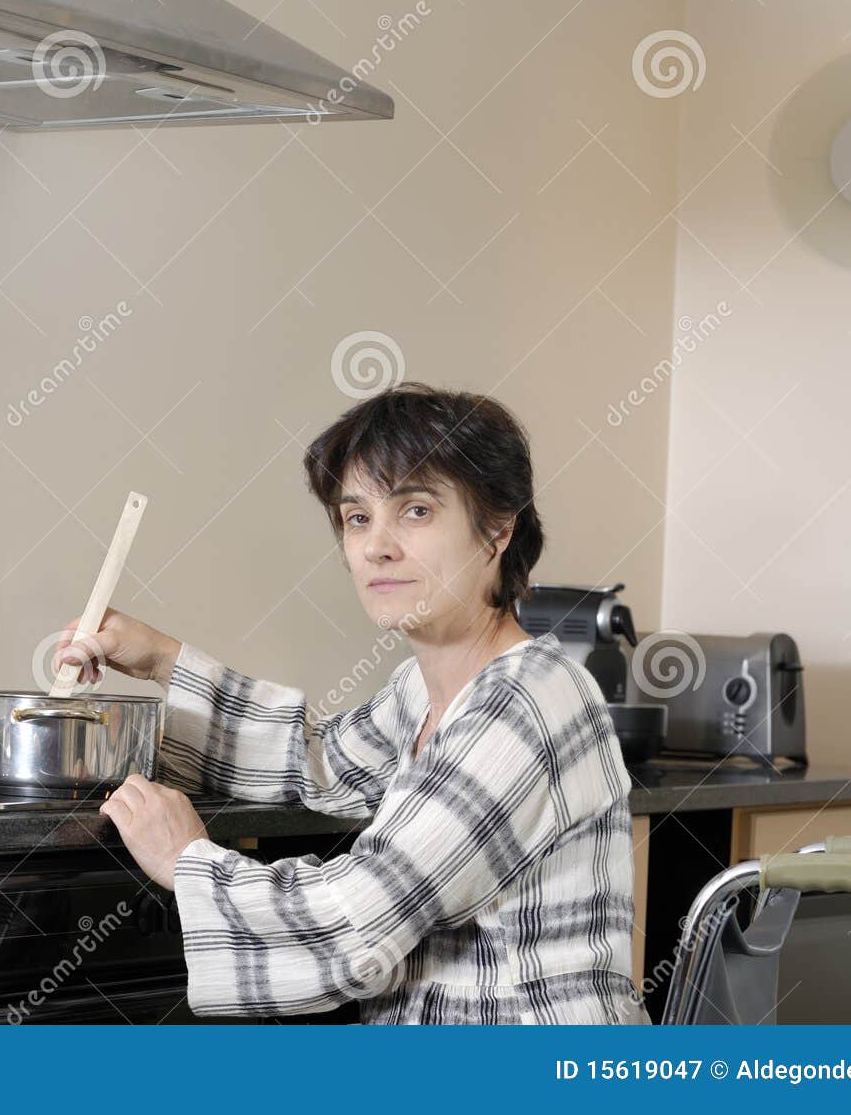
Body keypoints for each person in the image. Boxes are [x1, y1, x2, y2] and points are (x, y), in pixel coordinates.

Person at [58, 383, 647, 1024]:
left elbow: (358, 919)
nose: (375, 546)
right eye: (357, 517)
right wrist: (159, 658)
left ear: (498, 530)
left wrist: (187, 861)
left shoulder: (528, 701)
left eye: (416, 510)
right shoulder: (421, 689)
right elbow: (314, 762)